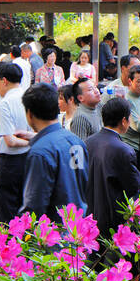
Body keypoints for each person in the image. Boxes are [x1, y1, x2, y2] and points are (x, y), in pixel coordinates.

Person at [21, 82, 89, 223]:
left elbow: (35, 203)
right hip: (78, 228)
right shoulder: (76, 141)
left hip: (52, 233)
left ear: (29, 114)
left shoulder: (40, 151)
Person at [84, 96, 140, 238]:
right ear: (124, 121)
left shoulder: (87, 142)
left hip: (87, 214)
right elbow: (134, 186)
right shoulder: (123, 150)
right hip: (111, 217)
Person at [0, 61, 33, 222]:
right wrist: (33, 141)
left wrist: (28, 142)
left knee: (8, 209)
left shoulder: (4, 103)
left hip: (9, 163)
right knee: (25, 208)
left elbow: (9, 140)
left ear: (4, 80)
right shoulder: (29, 98)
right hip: (28, 160)